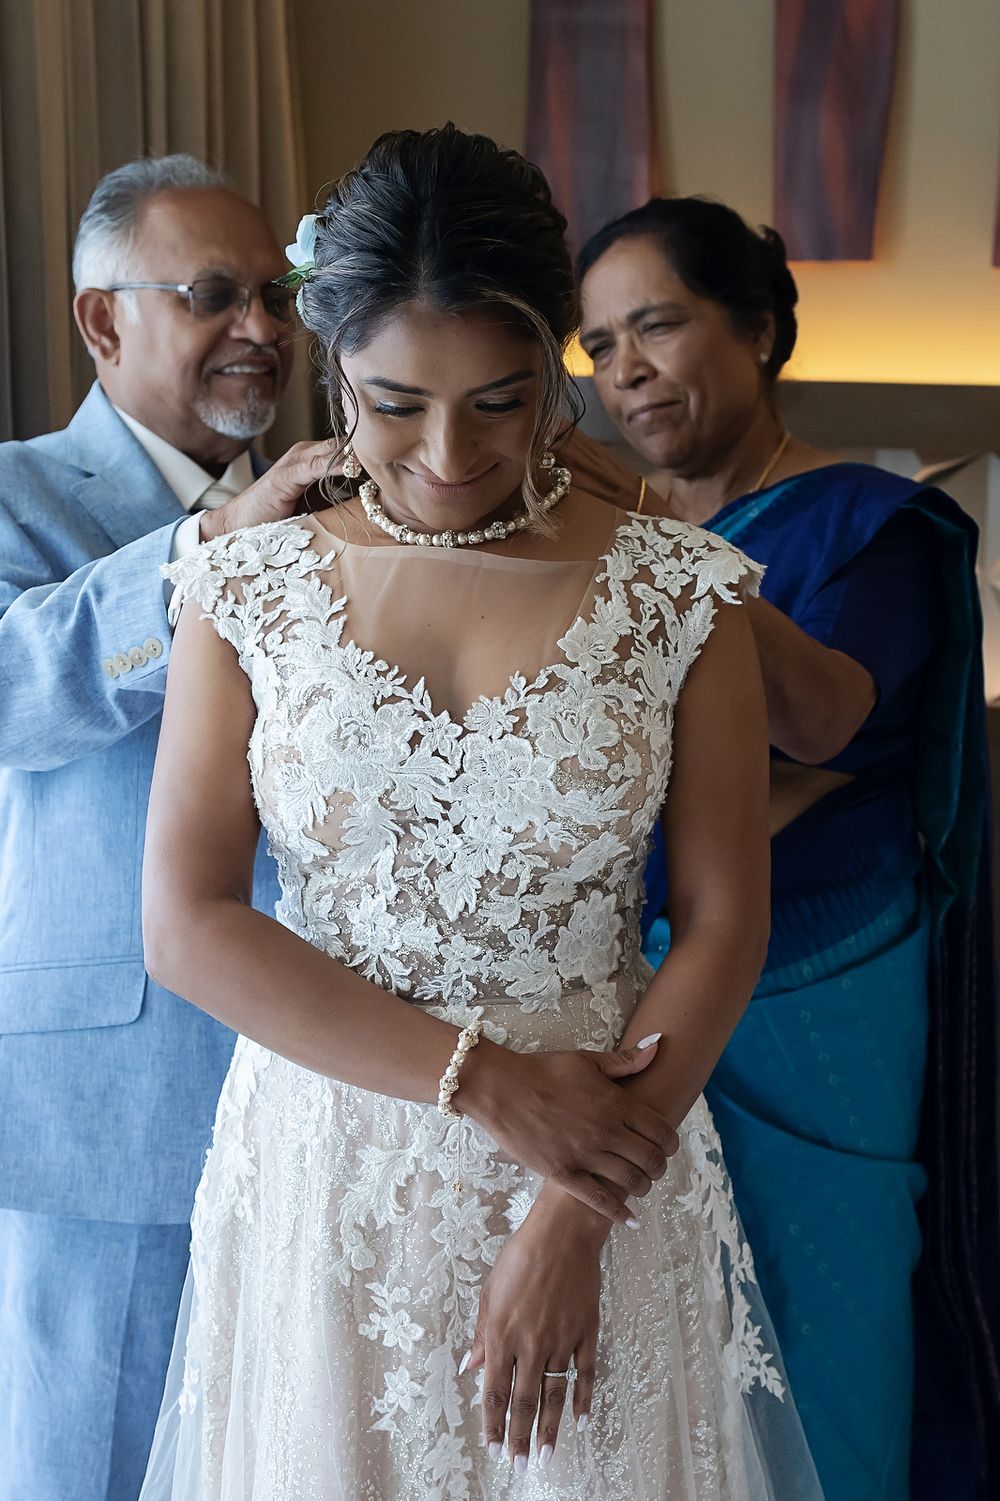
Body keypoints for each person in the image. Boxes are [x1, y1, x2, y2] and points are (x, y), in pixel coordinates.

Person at [138, 125, 825, 1500]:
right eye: (395, 405)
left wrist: (577, 1207)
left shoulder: (681, 587)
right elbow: (188, 921)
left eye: (502, 403)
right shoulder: (247, 588)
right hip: (332, 1184)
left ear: (554, 370)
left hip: (604, 1176)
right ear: (332, 365)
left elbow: (728, 918)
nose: (450, 454)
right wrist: (490, 1084)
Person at [576, 194, 1000, 1501]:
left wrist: (647, 543)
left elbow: (825, 723)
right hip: (623, 988)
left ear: (757, 330)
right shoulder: (580, 545)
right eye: (597, 345)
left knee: (825, 1352)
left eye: (658, 324)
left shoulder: (872, 525)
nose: (626, 367)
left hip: (819, 998)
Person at [0, 154, 338, 1501]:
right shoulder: (22, 494)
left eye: (274, 293)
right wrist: (207, 556)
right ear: (102, 320)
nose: (259, 326)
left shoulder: (339, 507)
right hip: (113, 1113)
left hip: (320, 1087)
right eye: (213, 294)